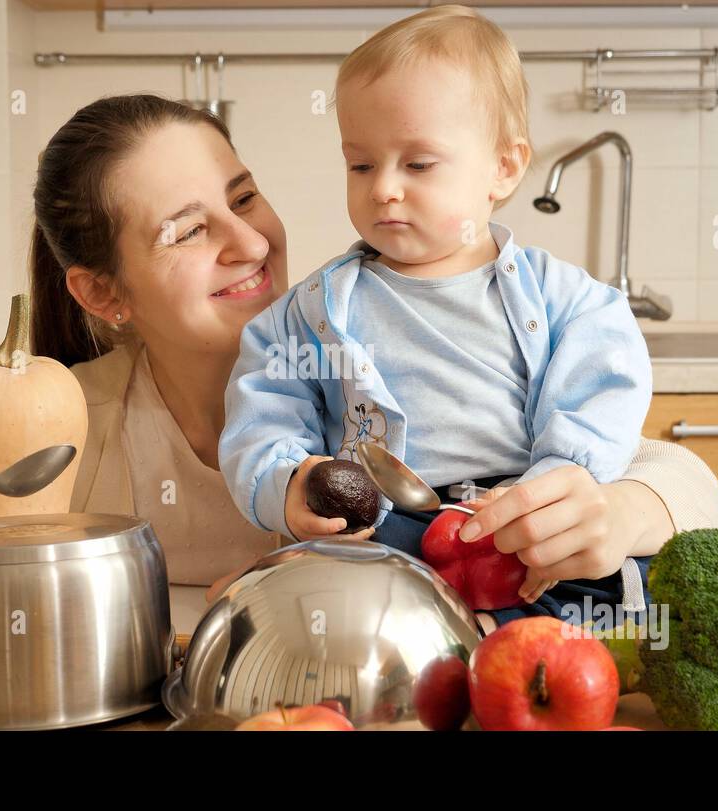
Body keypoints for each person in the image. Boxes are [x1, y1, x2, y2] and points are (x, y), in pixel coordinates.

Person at [0, 93, 718, 696]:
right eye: (190, 229)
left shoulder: (362, 358)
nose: (251, 241)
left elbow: (680, 477)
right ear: (103, 293)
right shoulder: (61, 428)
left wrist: (613, 508)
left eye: (245, 194)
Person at [219, 5, 655, 624]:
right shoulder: (311, 312)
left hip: (512, 521)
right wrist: (287, 481)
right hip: (386, 527)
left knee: (596, 596)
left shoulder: (567, 300)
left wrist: (550, 488)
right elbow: (263, 407)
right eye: (361, 164)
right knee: (332, 604)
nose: (383, 188)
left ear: (503, 168)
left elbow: (605, 383)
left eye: (418, 164)